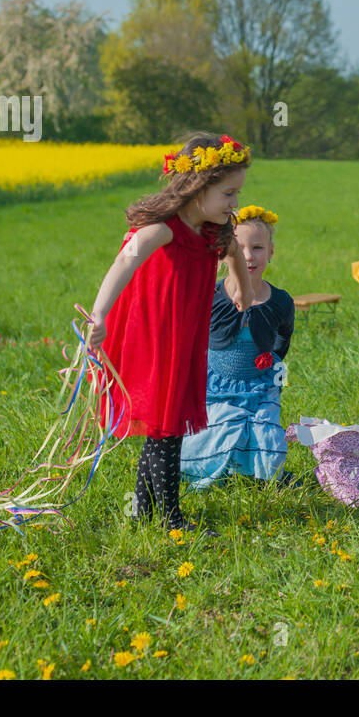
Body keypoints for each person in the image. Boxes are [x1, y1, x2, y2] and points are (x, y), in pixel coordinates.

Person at [86, 134, 253, 533]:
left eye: (237, 194)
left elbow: (234, 256)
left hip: (186, 340)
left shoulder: (214, 231)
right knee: (169, 429)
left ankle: (143, 512)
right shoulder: (164, 230)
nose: (234, 203)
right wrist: (99, 313)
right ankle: (171, 521)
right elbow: (126, 259)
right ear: (197, 188)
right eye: (228, 193)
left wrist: (243, 291)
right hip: (156, 341)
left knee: (166, 426)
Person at [181, 205, 297, 488]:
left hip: (259, 385)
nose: (248, 256)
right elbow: (192, 339)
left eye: (257, 248)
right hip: (216, 386)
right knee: (222, 429)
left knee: (270, 445)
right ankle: (213, 469)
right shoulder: (210, 295)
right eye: (239, 247)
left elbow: (283, 339)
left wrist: (268, 361)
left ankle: (254, 472)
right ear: (223, 251)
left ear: (270, 251)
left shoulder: (280, 301)